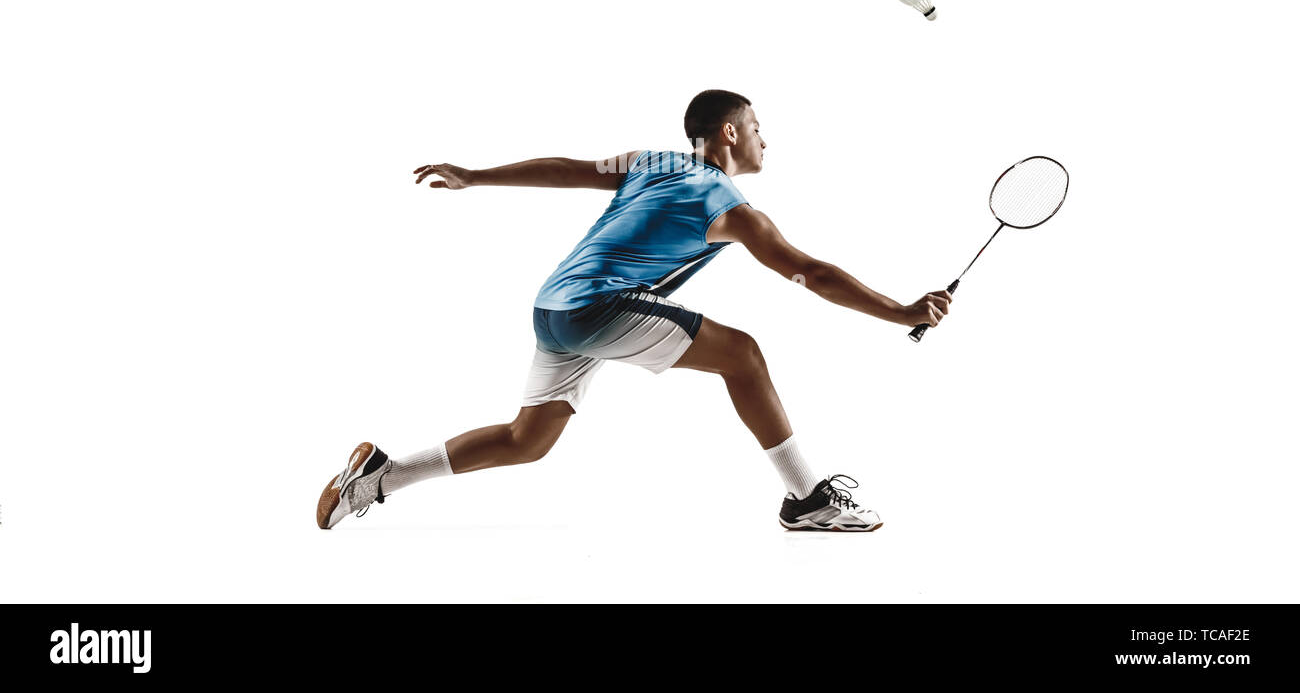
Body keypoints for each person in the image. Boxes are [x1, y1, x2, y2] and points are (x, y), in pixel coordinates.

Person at [317, 89, 951, 532]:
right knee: (743, 354)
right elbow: (810, 272)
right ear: (730, 133)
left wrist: (476, 176)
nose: (766, 138)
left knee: (527, 440)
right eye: (758, 127)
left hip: (551, 306)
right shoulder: (731, 209)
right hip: (595, 309)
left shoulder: (650, 163)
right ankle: (807, 499)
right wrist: (901, 312)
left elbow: (571, 169)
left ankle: (380, 476)